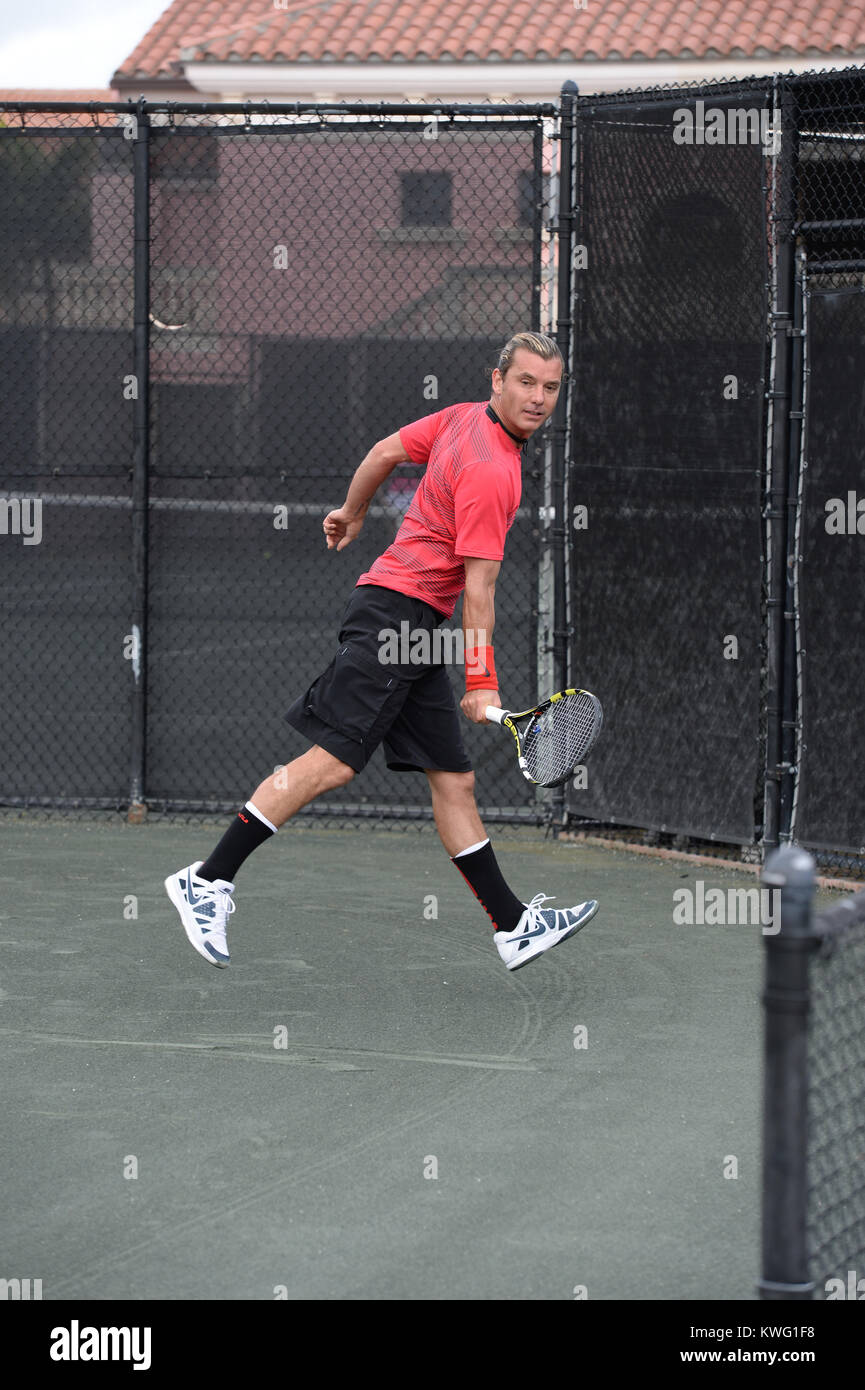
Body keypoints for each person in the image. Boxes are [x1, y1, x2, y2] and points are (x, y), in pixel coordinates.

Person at [165, 331, 598, 972]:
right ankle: (209, 879)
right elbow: (479, 587)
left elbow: (383, 451)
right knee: (336, 762)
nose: (538, 398)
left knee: (454, 778)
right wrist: (481, 682)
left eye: (550, 387)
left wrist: (351, 511)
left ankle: (514, 927)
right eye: (526, 382)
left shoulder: (457, 419)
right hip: (397, 617)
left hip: (411, 623)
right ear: (497, 381)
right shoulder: (492, 471)